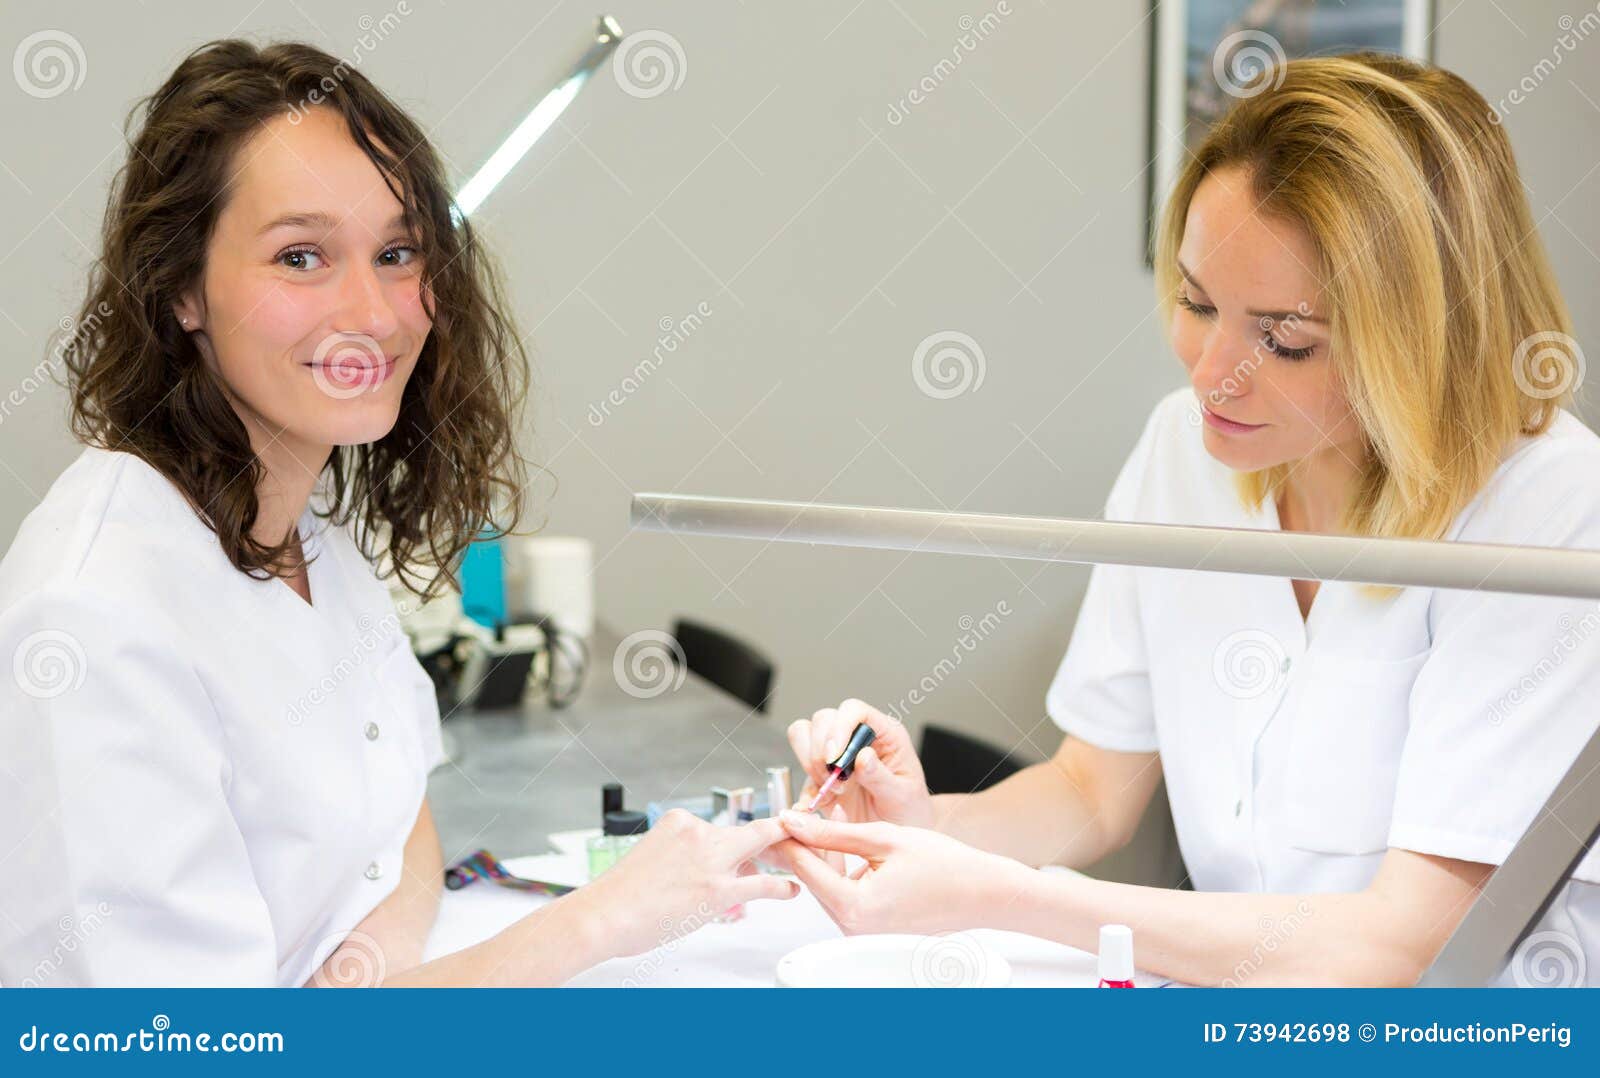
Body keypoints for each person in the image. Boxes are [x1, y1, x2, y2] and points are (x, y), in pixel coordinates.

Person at [779, 53, 1600, 988]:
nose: (1212, 373)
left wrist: (995, 895)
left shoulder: (1552, 511)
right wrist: (915, 827)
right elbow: (1093, 791)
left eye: (1283, 339)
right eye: (1197, 302)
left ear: (1423, 334)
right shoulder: (1188, 451)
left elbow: (1408, 943)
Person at [0, 40, 793, 989]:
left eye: (397, 251)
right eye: (301, 256)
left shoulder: (310, 535)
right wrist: (603, 921)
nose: (372, 311)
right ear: (180, 290)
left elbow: (404, 822)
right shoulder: (97, 615)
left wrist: (359, 978)